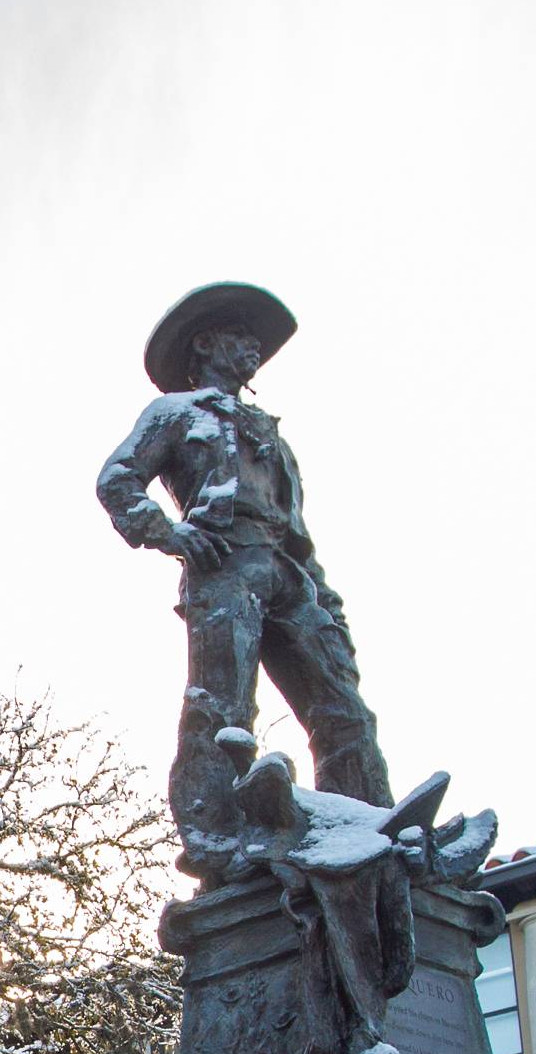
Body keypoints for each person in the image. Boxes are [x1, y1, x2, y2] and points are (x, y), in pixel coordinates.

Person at [95, 281, 391, 878]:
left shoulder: (269, 433)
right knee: (221, 708)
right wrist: (169, 533)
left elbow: (297, 530)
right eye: (240, 335)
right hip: (224, 569)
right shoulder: (175, 414)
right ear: (205, 344)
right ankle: (214, 835)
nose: (254, 347)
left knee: (345, 711)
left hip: (287, 572)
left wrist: (327, 606)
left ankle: (368, 829)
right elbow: (116, 479)